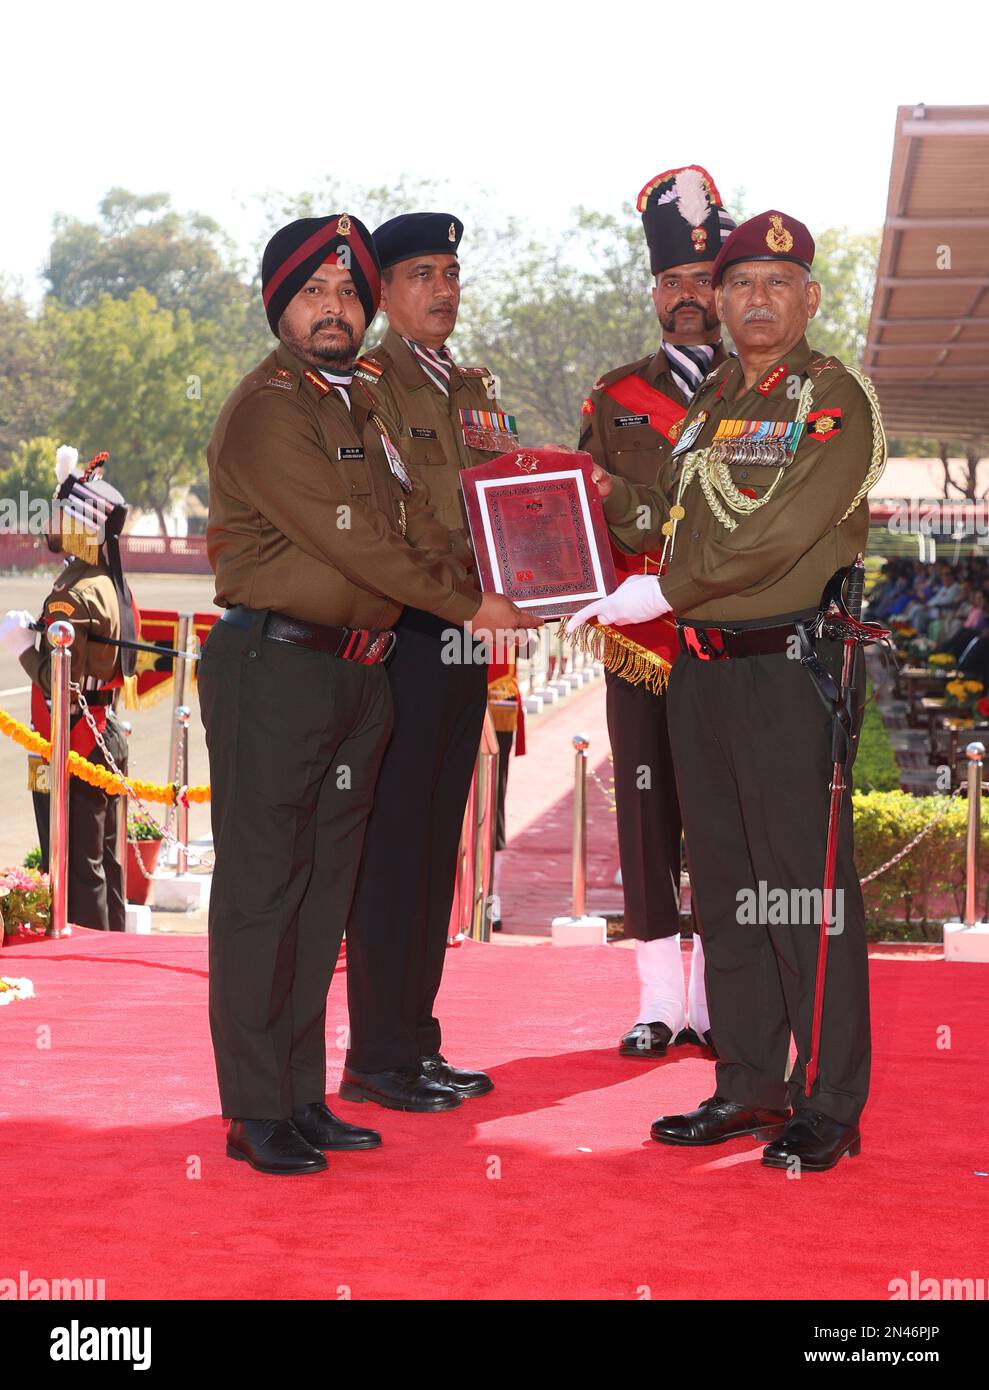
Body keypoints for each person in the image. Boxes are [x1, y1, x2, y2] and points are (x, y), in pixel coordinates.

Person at [200, 213, 531, 1175]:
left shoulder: (356, 407)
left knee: (320, 895)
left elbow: (419, 534)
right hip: (277, 667)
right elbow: (363, 546)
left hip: (357, 672)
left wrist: (509, 590)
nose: (334, 310)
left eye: (347, 293)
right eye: (313, 294)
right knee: (265, 895)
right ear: (279, 308)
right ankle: (254, 1108)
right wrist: (476, 605)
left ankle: (302, 1095)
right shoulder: (272, 409)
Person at [570, 210, 887, 1172]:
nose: (754, 299)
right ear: (717, 297)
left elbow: (778, 531)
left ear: (809, 299)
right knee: (731, 886)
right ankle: (749, 1081)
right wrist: (575, 488)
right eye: (738, 283)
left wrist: (655, 592)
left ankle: (829, 1103)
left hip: (786, 671)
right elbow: (677, 518)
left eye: (775, 285)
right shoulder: (712, 402)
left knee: (800, 891)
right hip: (701, 670)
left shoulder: (831, 400)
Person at [338, 212, 527, 1112]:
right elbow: (386, 529)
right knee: (393, 851)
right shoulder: (365, 386)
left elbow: (510, 493)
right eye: (421, 273)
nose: (443, 288)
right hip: (408, 635)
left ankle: (415, 1043)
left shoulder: (473, 384)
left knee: (434, 850)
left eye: (451, 271)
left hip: (467, 637)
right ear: (381, 291)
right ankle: (375, 1056)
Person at [574, 166, 735, 1059]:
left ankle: (711, 1003)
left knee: (720, 814)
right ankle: (655, 1001)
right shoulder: (613, 397)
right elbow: (578, 515)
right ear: (652, 292)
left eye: (703, 280)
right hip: (636, 638)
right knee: (645, 816)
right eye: (672, 282)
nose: (688, 298)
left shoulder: (759, 393)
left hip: (727, 635)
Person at [1, 447, 137, 932]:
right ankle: (114, 955)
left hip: (78, 739)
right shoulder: (107, 580)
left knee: (77, 869)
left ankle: (90, 969)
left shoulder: (72, 594)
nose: (52, 525)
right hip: (107, 735)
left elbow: (64, 685)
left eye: (62, 516)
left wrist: (21, 648)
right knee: (103, 861)